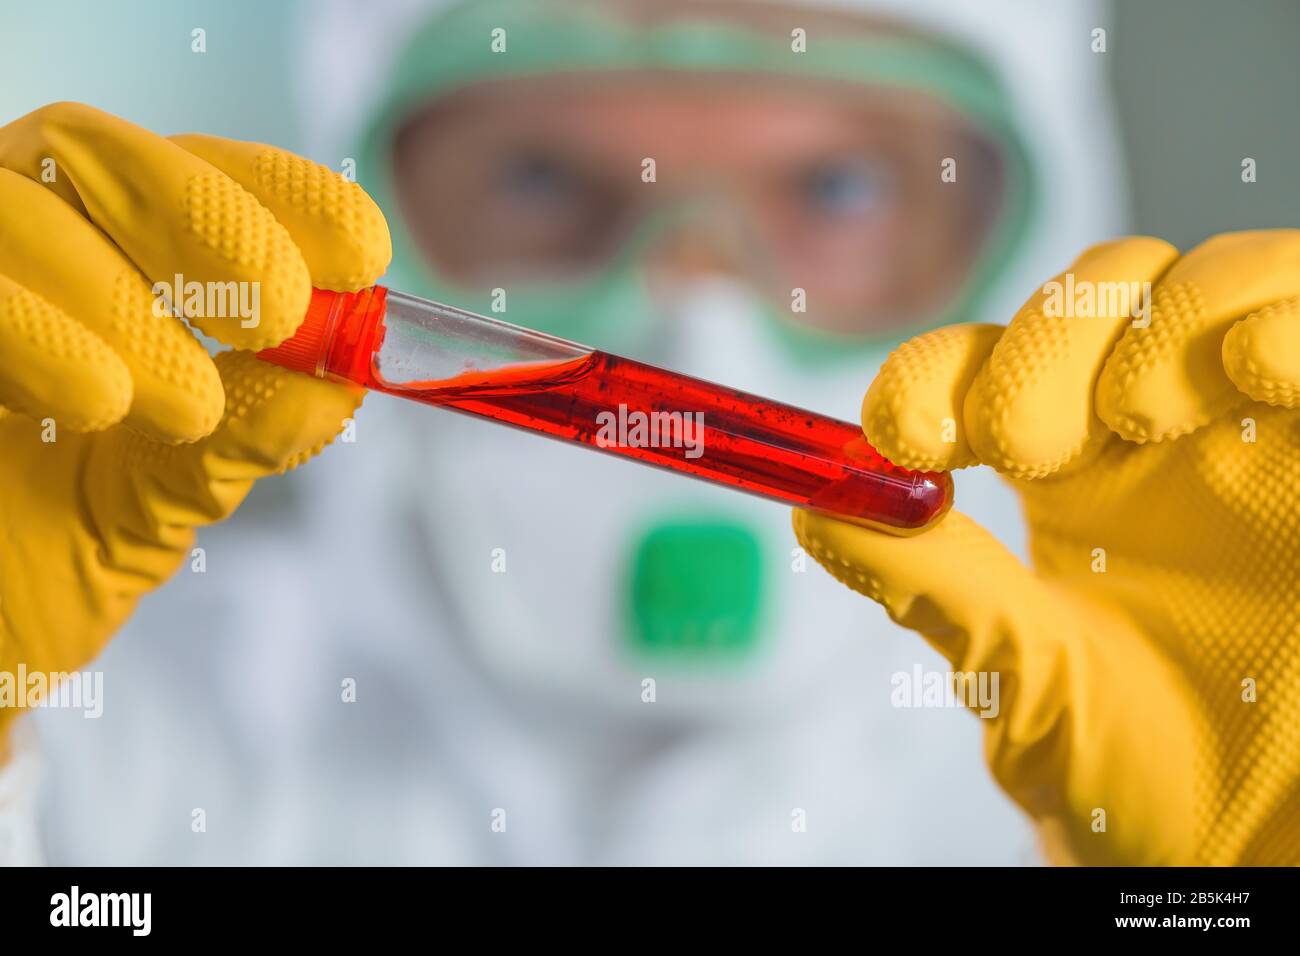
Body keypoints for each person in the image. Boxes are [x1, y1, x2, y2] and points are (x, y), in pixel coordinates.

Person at [2, 0, 1134, 864]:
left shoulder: (1162, 765)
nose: (695, 312)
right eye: (541, 178)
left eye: (836, 188)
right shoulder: (89, 713)